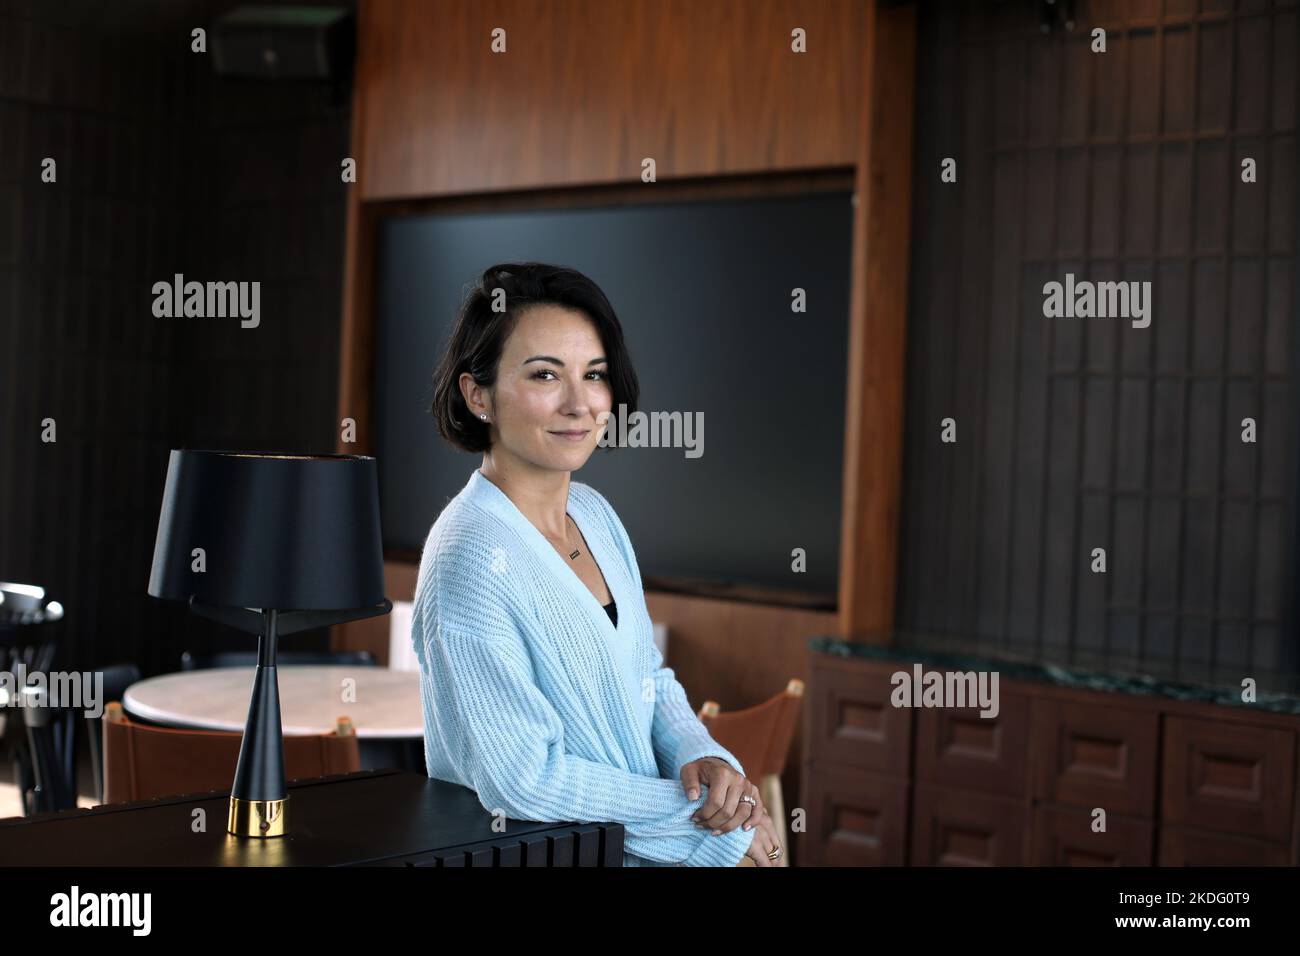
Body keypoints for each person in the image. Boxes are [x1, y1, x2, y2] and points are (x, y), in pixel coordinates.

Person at [411, 262, 783, 866]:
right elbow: (523, 779)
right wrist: (705, 828)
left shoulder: (595, 513)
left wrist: (709, 767)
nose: (579, 403)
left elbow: (648, 679)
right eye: (544, 375)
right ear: (476, 394)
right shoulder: (468, 556)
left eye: (595, 375)